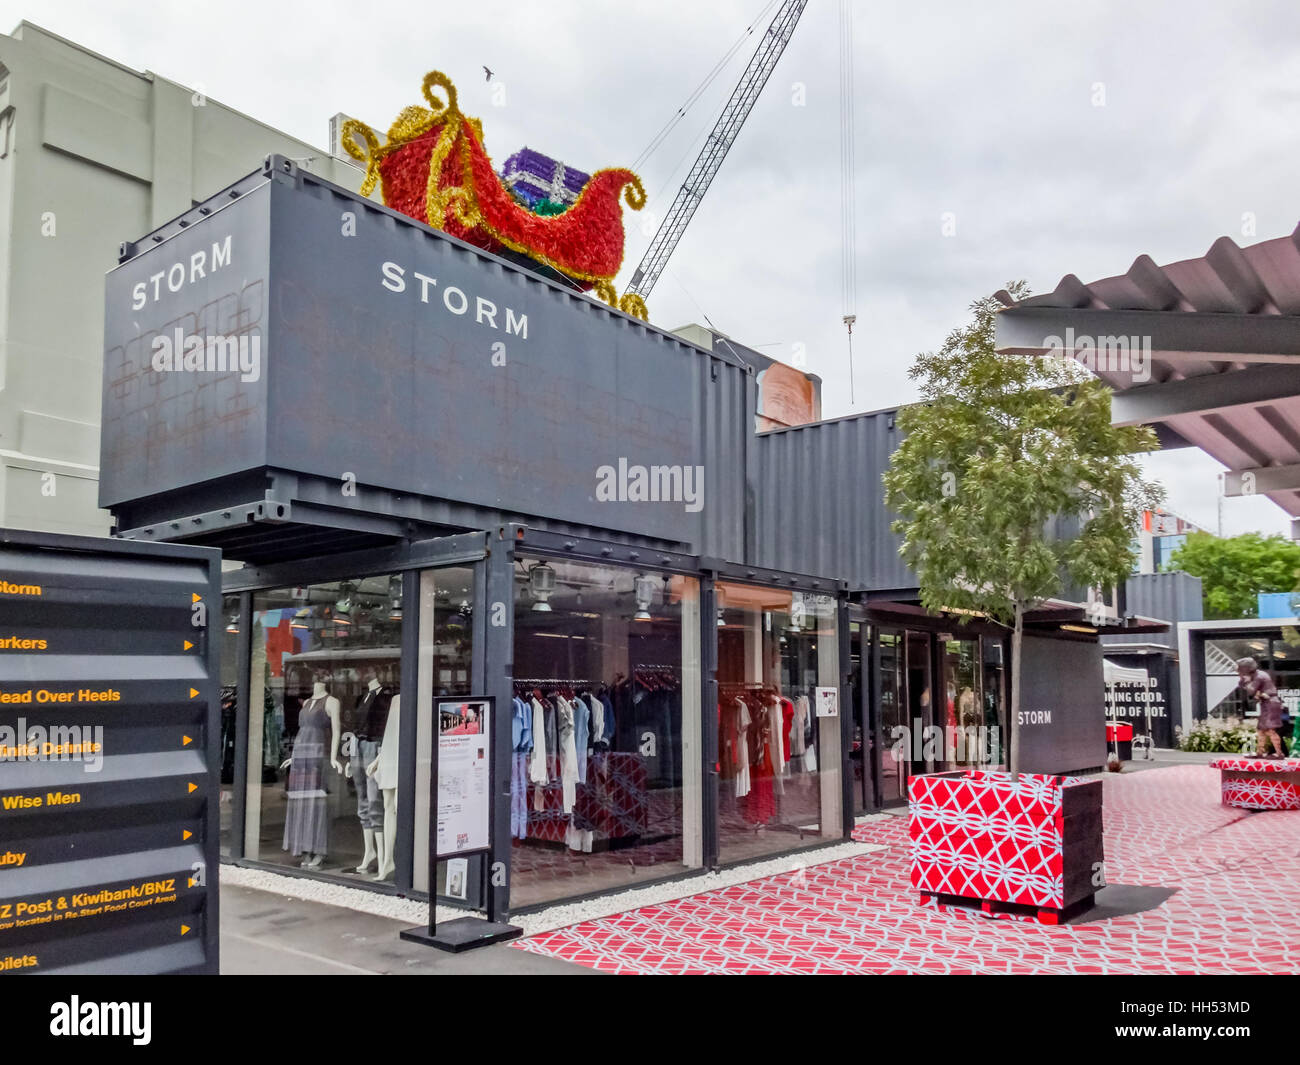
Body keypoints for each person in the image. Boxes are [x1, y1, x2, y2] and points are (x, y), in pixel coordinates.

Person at [1236, 657, 1286, 759]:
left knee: (1270, 729)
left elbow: (1251, 691)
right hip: (1267, 703)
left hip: (1270, 703)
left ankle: (1279, 754)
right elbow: (1245, 687)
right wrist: (1243, 680)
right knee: (1261, 730)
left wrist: (1245, 681)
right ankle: (1260, 753)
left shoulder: (1259, 676)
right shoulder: (1256, 675)